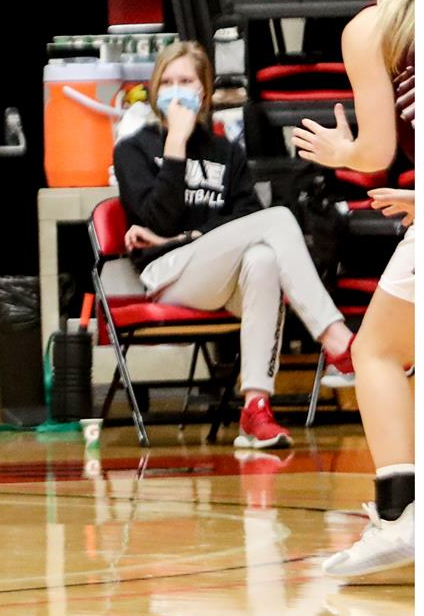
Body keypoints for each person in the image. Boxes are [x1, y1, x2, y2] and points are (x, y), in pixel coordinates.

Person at [115, 40, 356, 451]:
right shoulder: (133, 150)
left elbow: (246, 218)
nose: (176, 91)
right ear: (154, 90)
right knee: (278, 220)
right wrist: (175, 146)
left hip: (220, 275)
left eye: (186, 81)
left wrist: (190, 236)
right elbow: (157, 220)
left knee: (262, 258)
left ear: (203, 91)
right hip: (167, 275)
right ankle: (336, 340)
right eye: (167, 82)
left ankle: (256, 408)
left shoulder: (226, 151)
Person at [289, 0, 415, 578]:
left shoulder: (372, 26)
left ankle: (399, 515)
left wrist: (342, 151)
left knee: (375, 353)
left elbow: (375, 152)